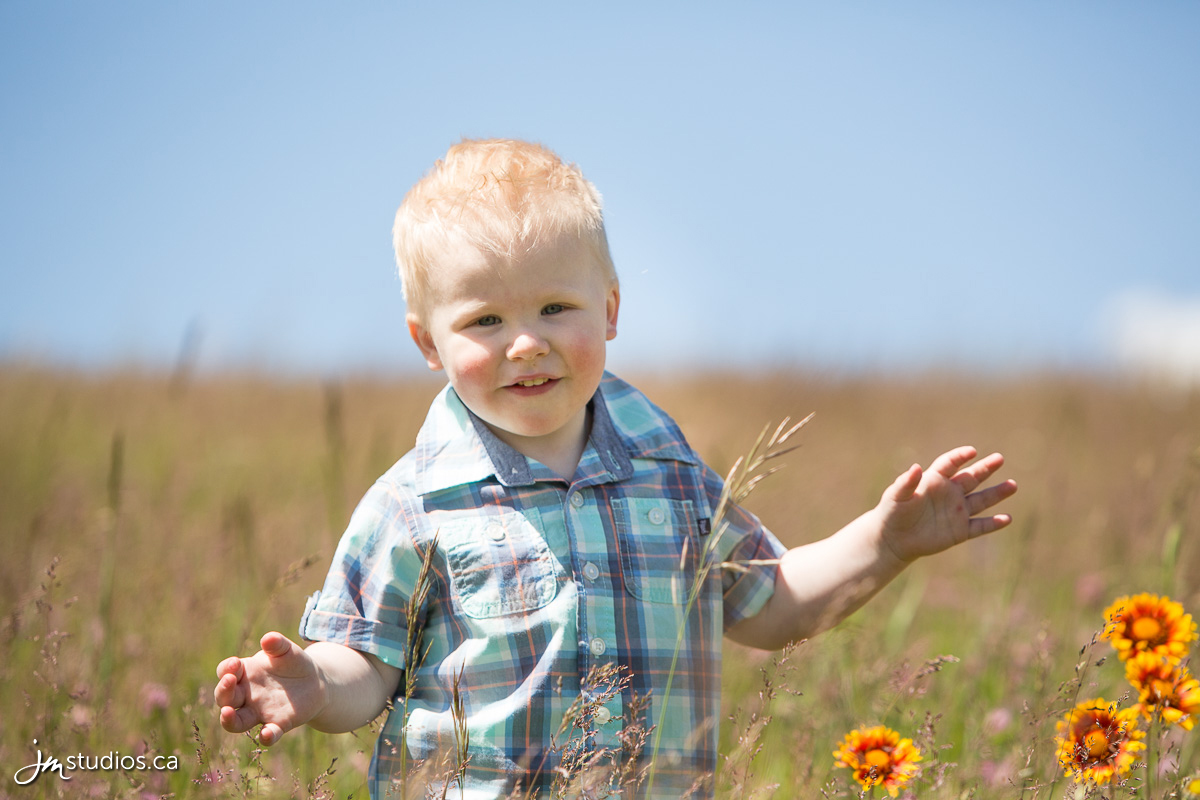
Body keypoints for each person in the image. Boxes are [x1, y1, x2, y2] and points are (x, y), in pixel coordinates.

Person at [213, 138, 1017, 798]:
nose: (526, 342)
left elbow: (776, 604)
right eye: (485, 319)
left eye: (555, 307)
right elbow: (370, 667)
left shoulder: (671, 477)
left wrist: (885, 541)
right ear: (428, 344)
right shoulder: (416, 504)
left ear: (611, 309)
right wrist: (316, 682)